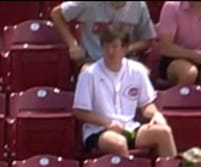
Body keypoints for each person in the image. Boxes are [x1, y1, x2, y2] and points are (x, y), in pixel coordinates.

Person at [72, 26, 176, 158]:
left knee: (164, 132)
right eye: (106, 47)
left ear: (125, 48)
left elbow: (146, 104)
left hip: (129, 127)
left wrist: (155, 114)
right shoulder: (89, 74)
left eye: (115, 47)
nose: (110, 51)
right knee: (118, 143)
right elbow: (79, 111)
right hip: (98, 130)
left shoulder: (137, 71)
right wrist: (107, 122)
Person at [52, 1, 157, 68]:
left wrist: (126, 48)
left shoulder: (138, 5)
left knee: (142, 74)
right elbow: (56, 13)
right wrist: (72, 44)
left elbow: (147, 40)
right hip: (92, 60)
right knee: (88, 75)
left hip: (125, 61)